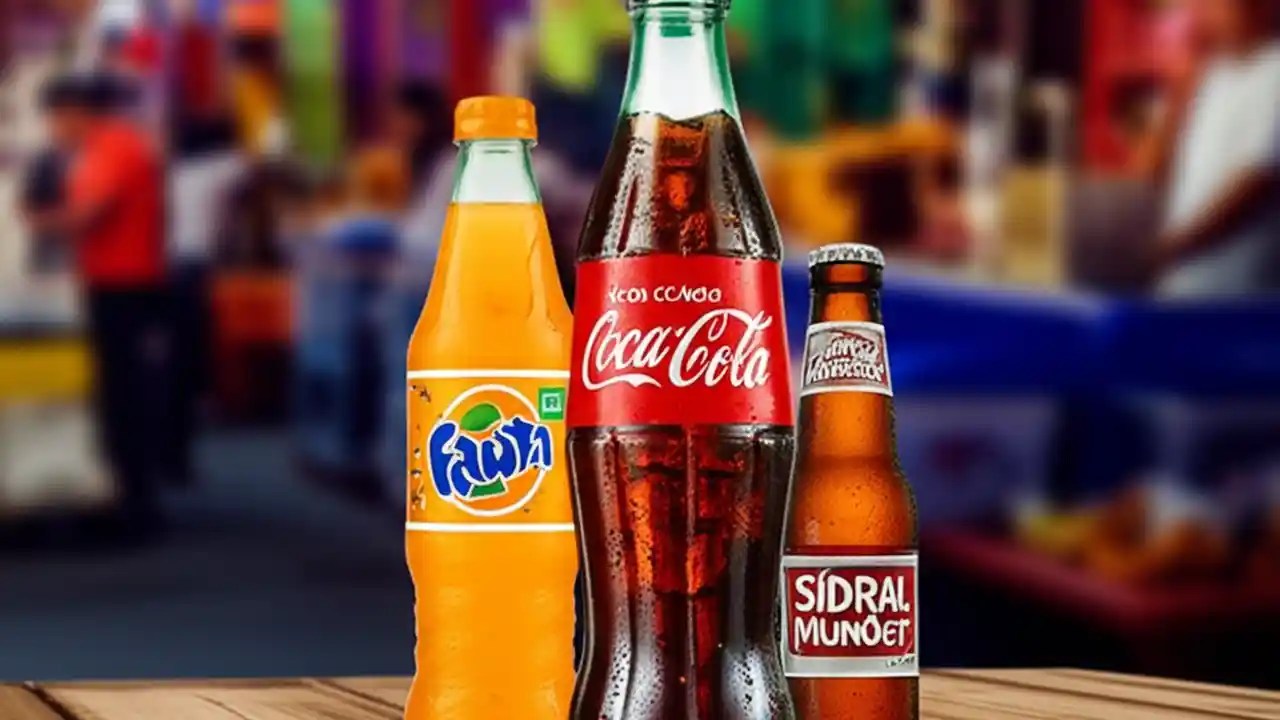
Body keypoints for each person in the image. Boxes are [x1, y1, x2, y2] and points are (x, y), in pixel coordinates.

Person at [31, 73, 169, 534]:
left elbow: (87, 215)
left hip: (124, 286)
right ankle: (123, 495)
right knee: (116, 395)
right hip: (111, 283)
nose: (53, 129)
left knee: (123, 397)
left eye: (55, 119)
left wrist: (33, 220)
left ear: (75, 112)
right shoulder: (103, 148)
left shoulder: (115, 148)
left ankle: (134, 502)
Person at [1145, 0, 1280, 295]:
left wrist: (1174, 246)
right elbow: (1159, 166)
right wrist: (1178, 95)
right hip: (1181, 288)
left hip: (1240, 295)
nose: (1202, 13)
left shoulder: (1274, 73)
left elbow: (1257, 181)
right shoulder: (1211, 73)